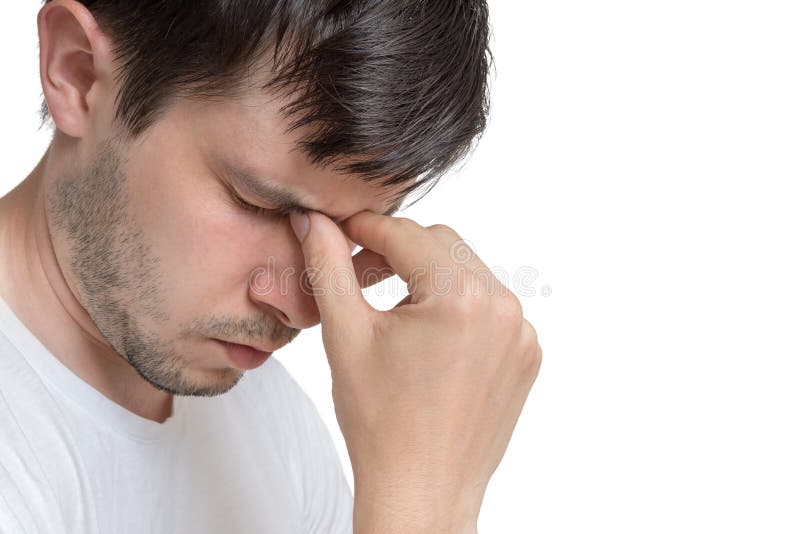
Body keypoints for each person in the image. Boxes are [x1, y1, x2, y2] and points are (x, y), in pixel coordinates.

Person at [0, 0, 542, 532]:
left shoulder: (271, 423)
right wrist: (425, 499)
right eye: (257, 204)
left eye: (351, 230)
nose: (304, 307)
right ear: (76, 71)